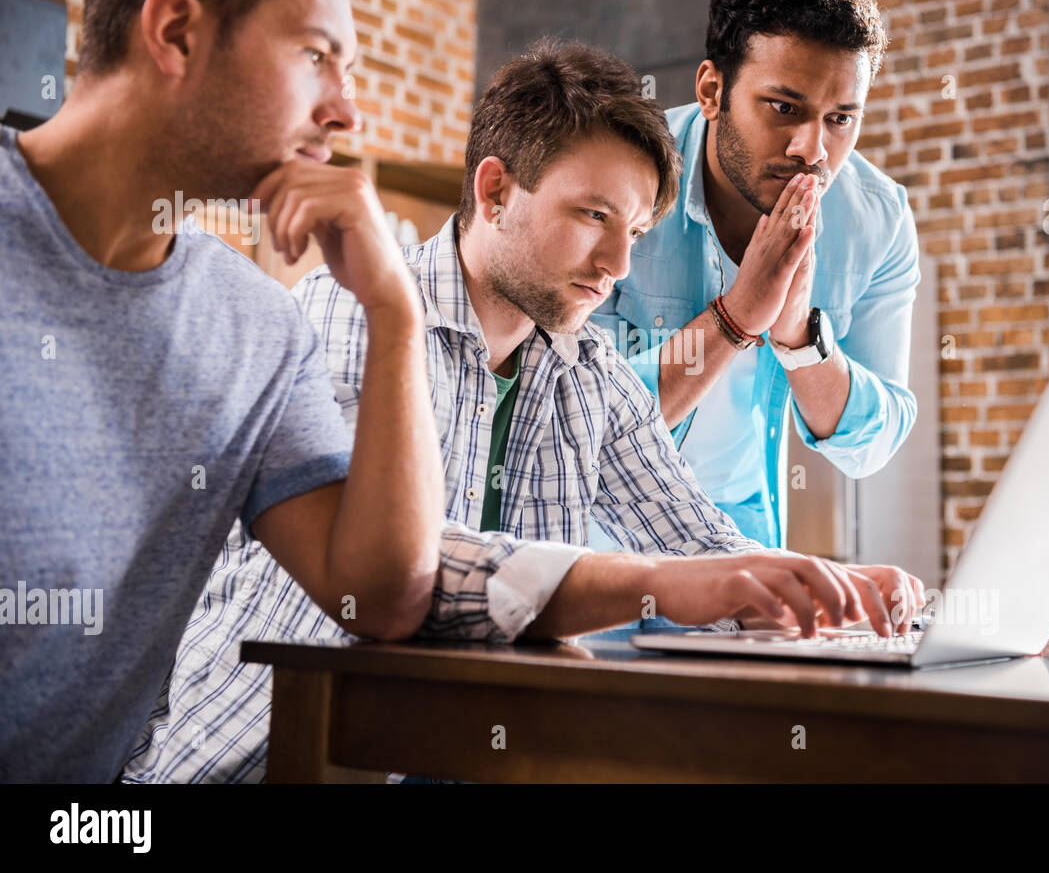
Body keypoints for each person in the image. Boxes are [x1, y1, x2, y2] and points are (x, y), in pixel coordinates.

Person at [123, 40, 926, 783]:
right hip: (261, 760)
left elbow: (702, 546)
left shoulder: (589, 374)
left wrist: (834, 595)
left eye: (635, 230)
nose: (617, 264)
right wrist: (665, 584)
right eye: (593, 216)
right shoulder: (352, 307)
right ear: (495, 190)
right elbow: (390, 565)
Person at [0, 0, 445, 782]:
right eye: (316, 55)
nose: (345, 111)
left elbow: (380, 597)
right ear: (176, 32)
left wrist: (397, 315)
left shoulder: (261, 331)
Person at [591, 0, 922, 548]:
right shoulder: (617, 178)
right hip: (597, 536)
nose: (812, 150)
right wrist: (738, 315)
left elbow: (873, 443)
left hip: (737, 544)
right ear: (712, 90)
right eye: (784, 107)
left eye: (840, 118)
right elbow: (578, 418)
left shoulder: (877, 220)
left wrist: (799, 339)